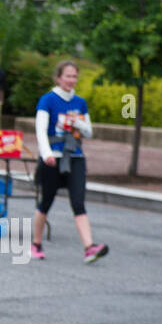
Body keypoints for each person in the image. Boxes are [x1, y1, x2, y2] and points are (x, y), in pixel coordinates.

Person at [31, 61, 108, 264]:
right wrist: (46, 153)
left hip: (75, 157)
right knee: (46, 201)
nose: (71, 80)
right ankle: (36, 243)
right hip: (53, 158)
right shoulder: (47, 100)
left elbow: (89, 131)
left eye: (74, 76)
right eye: (67, 76)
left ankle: (89, 248)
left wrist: (78, 122)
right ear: (58, 78)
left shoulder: (80, 102)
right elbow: (40, 130)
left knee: (78, 202)